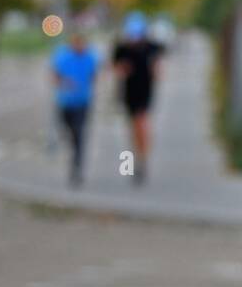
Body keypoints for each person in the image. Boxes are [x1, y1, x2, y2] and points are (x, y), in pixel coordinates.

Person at [112, 11, 164, 185]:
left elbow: (158, 67)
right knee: (132, 127)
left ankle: (141, 160)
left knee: (141, 123)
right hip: (129, 92)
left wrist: (155, 68)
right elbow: (116, 68)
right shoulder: (122, 48)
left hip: (145, 91)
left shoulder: (151, 47)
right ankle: (133, 160)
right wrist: (122, 68)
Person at [49, 31, 100, 188]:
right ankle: (73, 152)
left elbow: (94, 76)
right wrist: (65, 83)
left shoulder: (90, 58)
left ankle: (76, 168)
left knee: (79, 134)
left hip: (83, 102)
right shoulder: (63, 57)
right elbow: (55, 76)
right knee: (68, 131)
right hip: (65, 102)